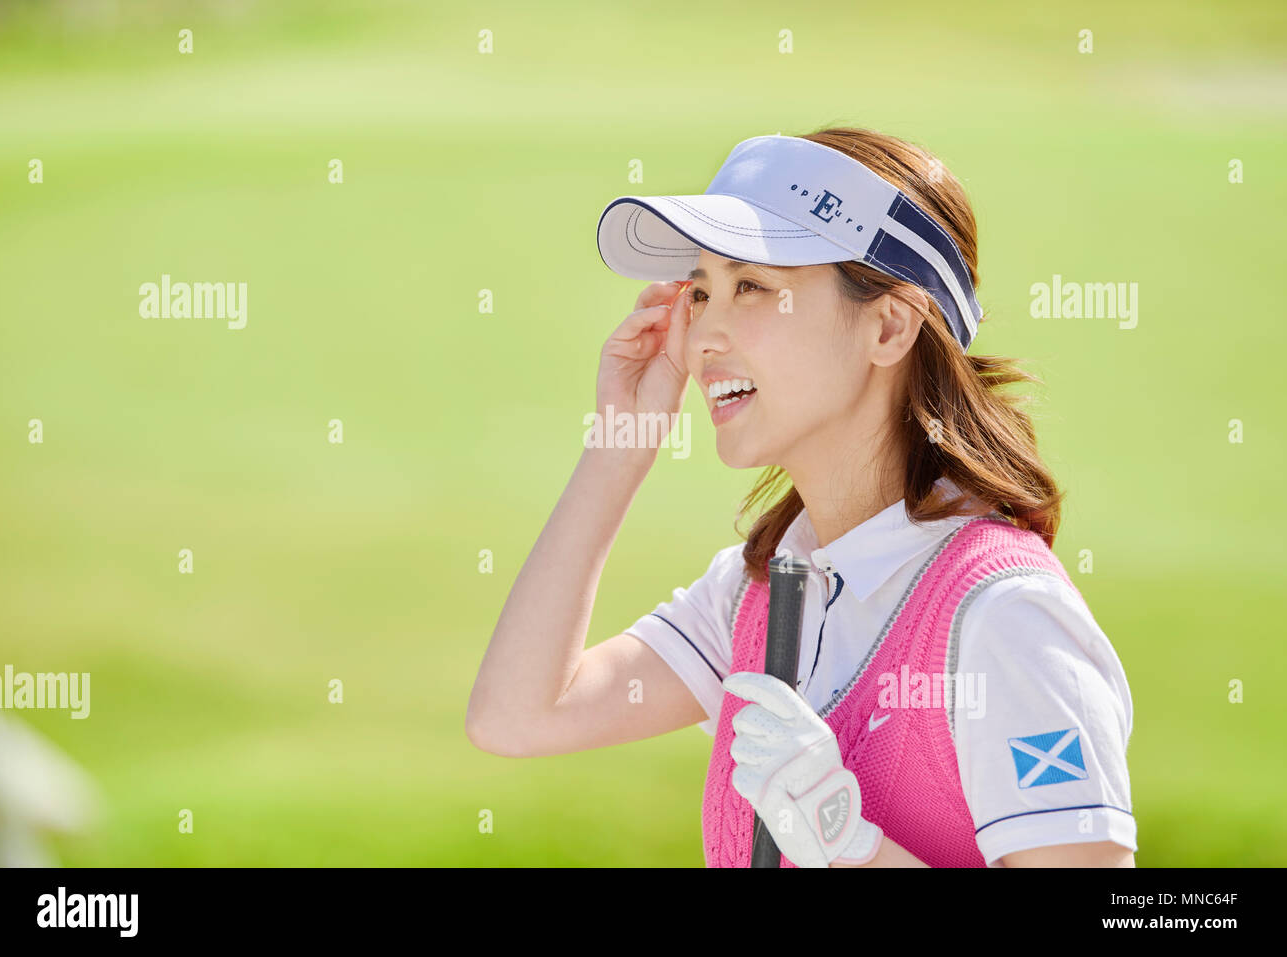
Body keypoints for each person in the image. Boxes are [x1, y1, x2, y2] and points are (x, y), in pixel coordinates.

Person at [466, 127, 1136, 868]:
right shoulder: (754, 591)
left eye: (751, 286)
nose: (701, 338)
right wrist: (618, 448)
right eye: (700, 290)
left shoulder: (1007, 618)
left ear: (889, 324)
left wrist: (849, 844)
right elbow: (517, 714)